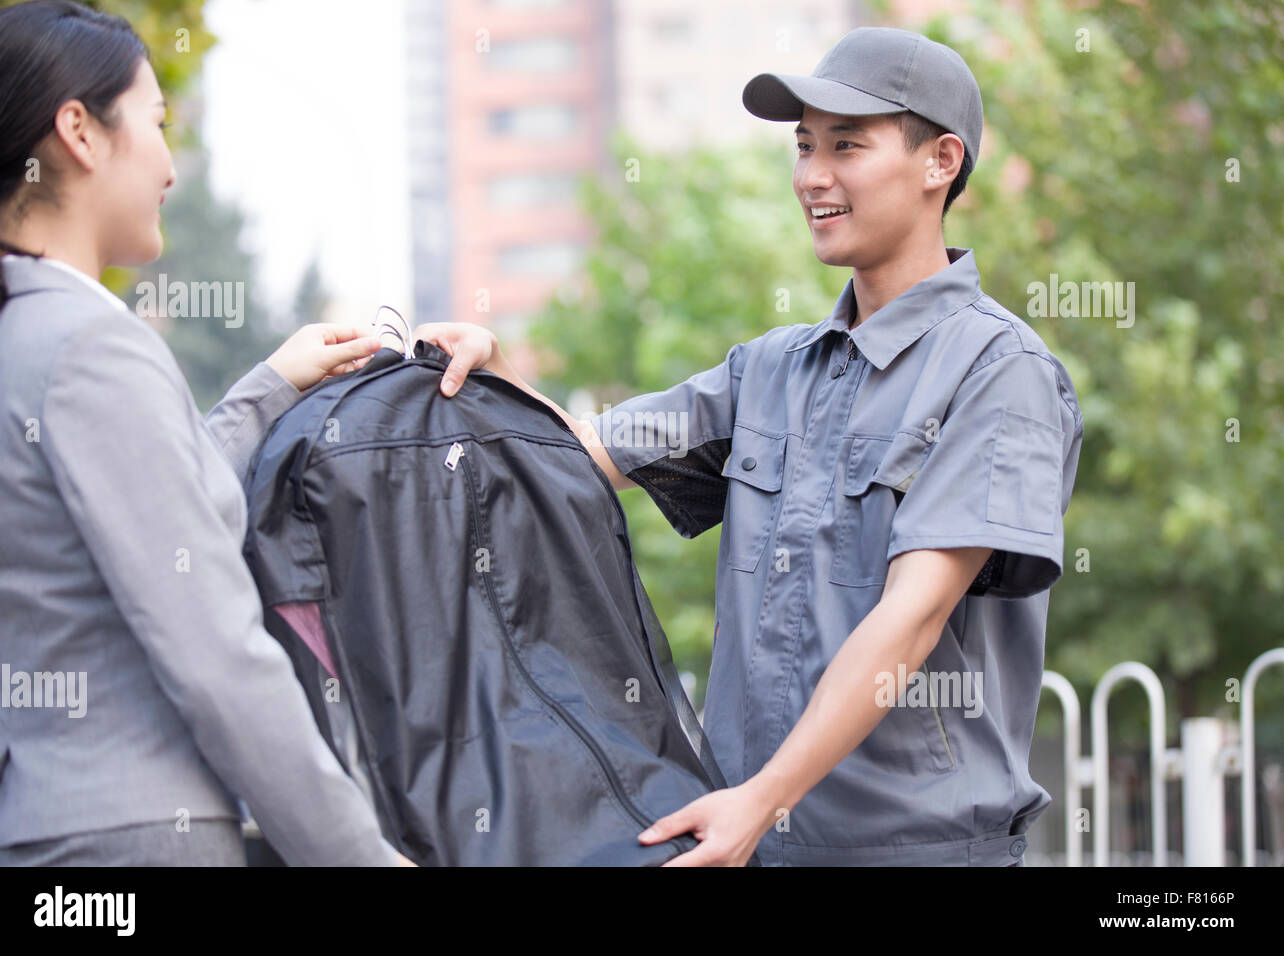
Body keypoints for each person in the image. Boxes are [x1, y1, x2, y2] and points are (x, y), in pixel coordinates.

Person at [419, 27, 1084, 866]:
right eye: (804, 146)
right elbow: (581, 454)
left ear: (939, 161)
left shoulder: (1000, 371)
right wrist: (500, 374)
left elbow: (912, 618)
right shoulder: (769, 370)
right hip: (751, 844)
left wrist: (761, 800)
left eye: (847, 144)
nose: (813, 175)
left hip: (915, 851)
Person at [0, 0, 406, 866]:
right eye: (156, 122)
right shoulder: (90, 347)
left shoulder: (12, 337)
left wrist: (266, 388)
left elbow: (129, 531)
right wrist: (357, 855)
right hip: (129, 842)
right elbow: (218, 657)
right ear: (79, 131)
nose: (171, 166)